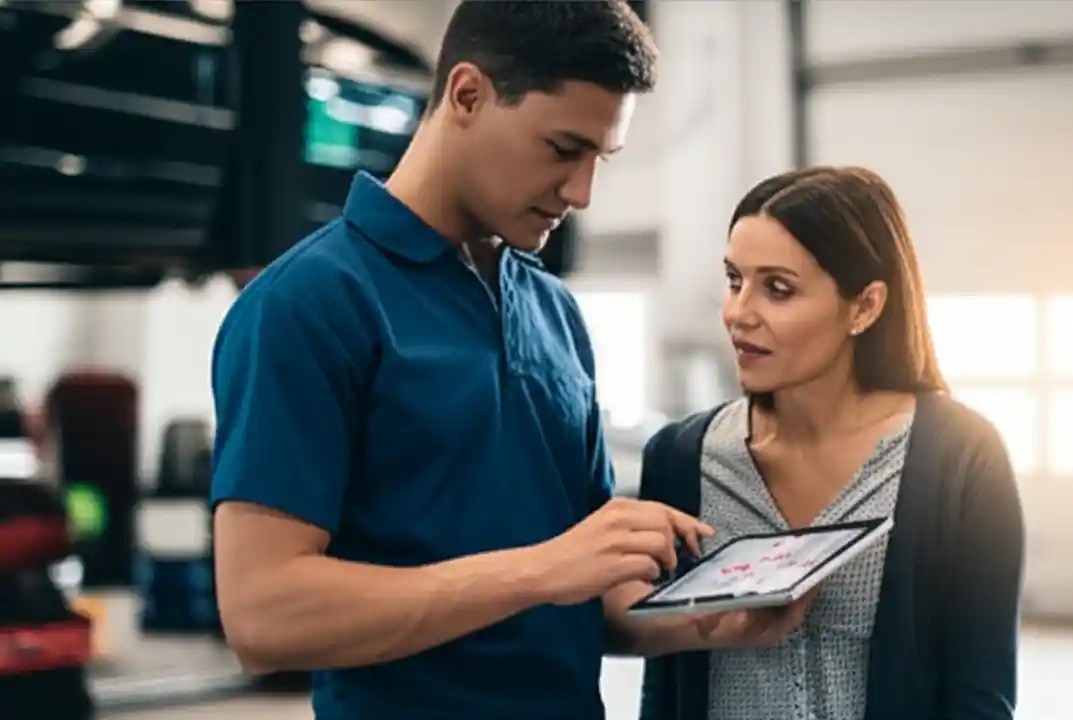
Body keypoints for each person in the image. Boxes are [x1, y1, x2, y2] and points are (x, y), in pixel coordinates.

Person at [209, 3, 805, 719]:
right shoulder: (307, 306)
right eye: (562, 149)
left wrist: (709, 620)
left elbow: (584, 596)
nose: (581, 193)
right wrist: (542, 570)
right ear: (467, 95)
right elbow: (264, 617)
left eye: (598, 161)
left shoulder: (556, 314)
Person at [632, 166, 1026, 720]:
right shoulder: (679, 459)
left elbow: (980, 694)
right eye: (734, 279)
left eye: (778, 288)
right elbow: (664, 687)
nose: (738, 313)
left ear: (864, 306)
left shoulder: (961, 457)